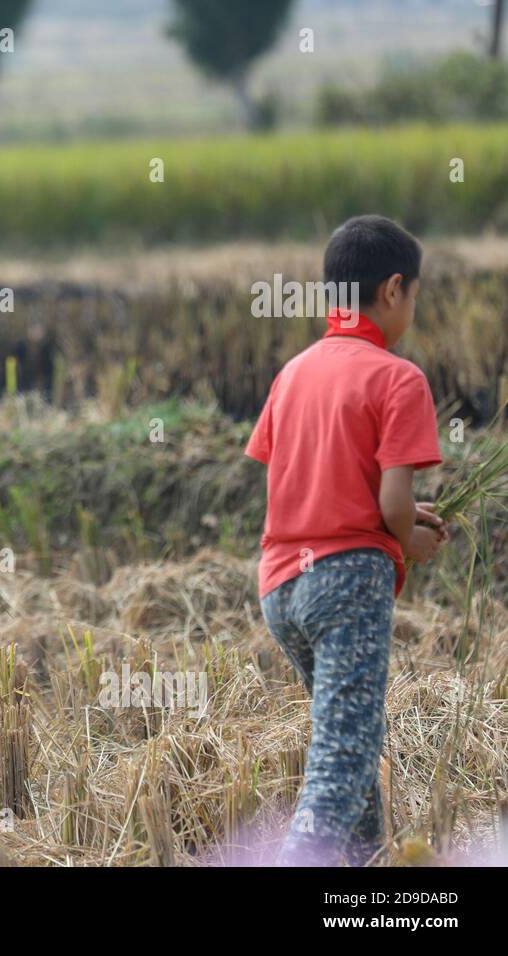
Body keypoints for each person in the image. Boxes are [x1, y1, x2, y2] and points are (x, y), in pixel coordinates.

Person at [246, 215, 448, 866]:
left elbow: (299, 480)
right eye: (414, 296)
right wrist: (409, 536)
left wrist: (394, 516)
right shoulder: (398, 379)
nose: (412, 309)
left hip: (281, 587)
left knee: (354, 741)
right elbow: (391, 504)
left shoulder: (295, 373)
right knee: (341, 756)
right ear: (393, 290)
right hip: (346, 583)